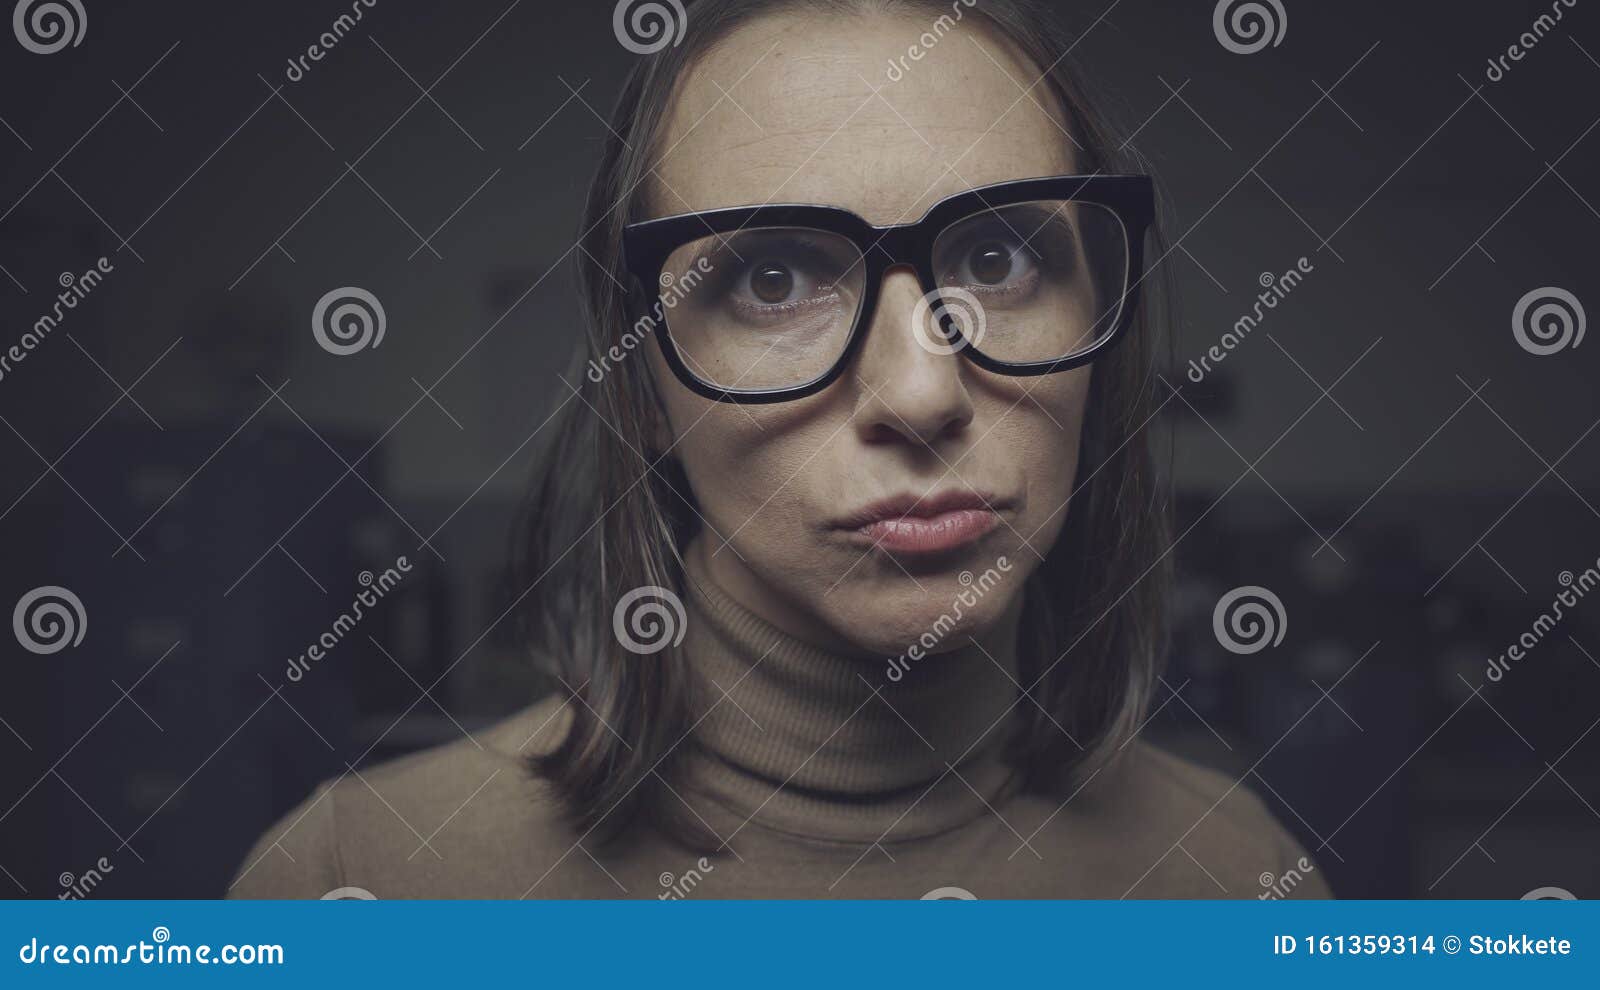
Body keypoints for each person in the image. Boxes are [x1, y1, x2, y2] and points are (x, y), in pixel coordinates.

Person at [231, 0, 1330, 900]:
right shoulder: (361, 885)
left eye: (998, 257)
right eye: (773, 280)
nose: (919, 390)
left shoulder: (1237, 879)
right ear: (644, 385)